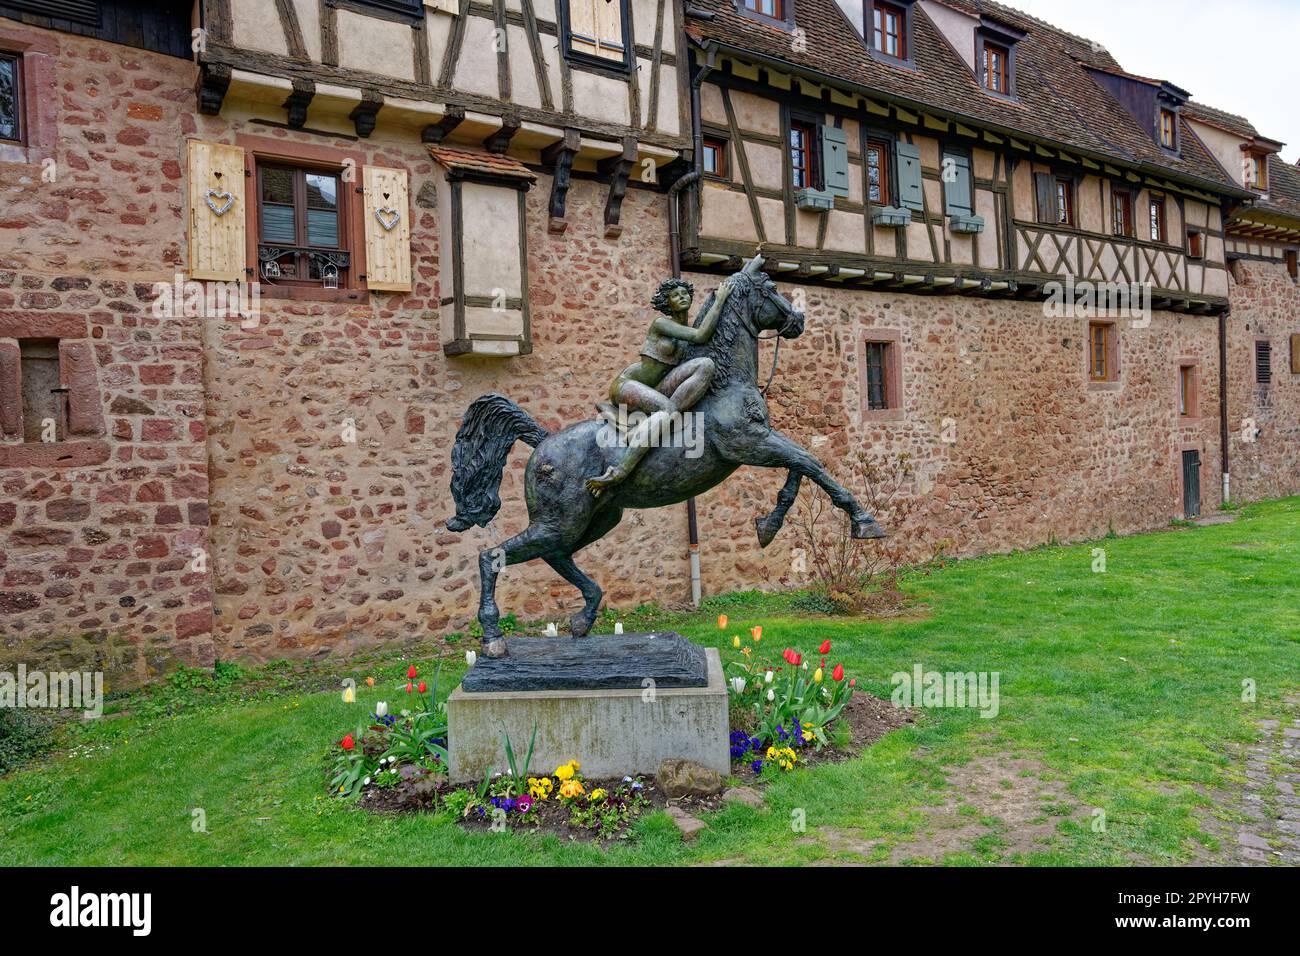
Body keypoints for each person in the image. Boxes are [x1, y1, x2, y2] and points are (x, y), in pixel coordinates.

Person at [586, 273, 736, 495]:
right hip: (628, 385)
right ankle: (620, 470)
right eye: (675, 295)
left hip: (657, 388)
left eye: (685, 293)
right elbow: (702, 335)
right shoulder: (662, 324)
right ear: (668, 303)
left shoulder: (684, 330)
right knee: (666, 408)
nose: (682, 297)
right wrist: (721, 300)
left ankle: (664, 419)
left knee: (705, 365)